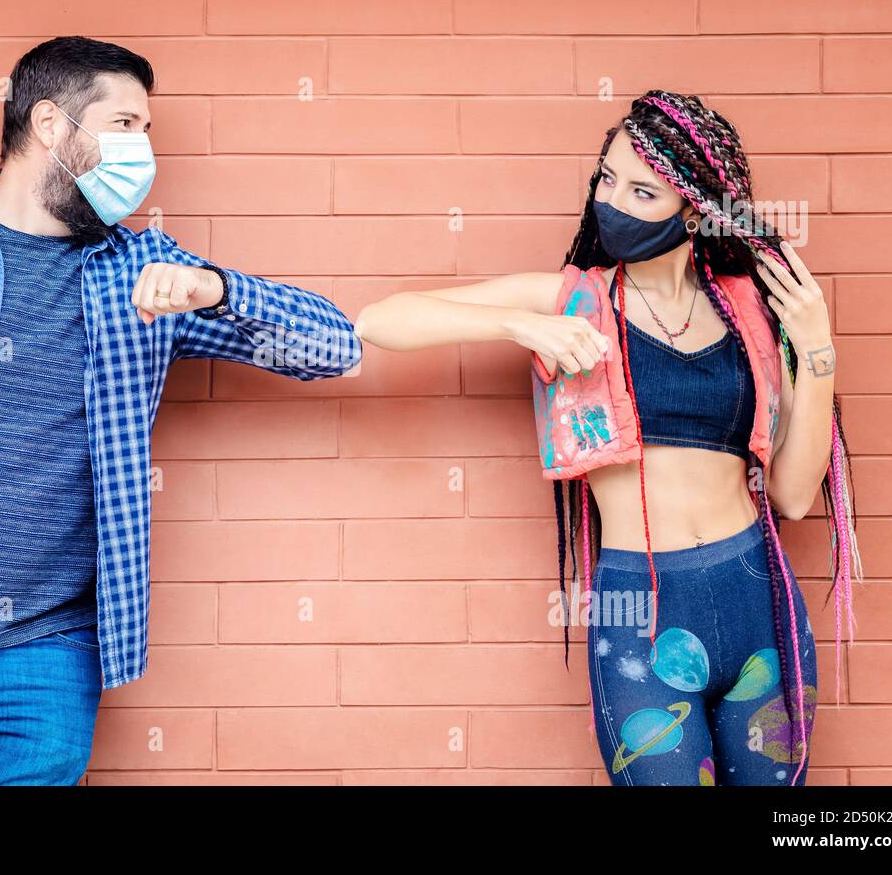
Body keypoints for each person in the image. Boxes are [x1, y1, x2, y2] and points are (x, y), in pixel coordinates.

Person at [0, 36, 362, 785]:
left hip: (48, 666)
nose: (143, 150)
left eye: (147, 132)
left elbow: (336, 346)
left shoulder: (146, 277)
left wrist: (217, 289)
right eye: (124, 126)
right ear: (51, 124)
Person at [355, 90, 863, 786]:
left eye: (642, 191)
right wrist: (520, 326)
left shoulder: (751, 311)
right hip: (637, 607)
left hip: (757, 595)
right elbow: (381, 320)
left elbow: (796, 497)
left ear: (693, 210)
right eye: (606, 179)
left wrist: (818, 348)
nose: (612, 201)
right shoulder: (571, 296)